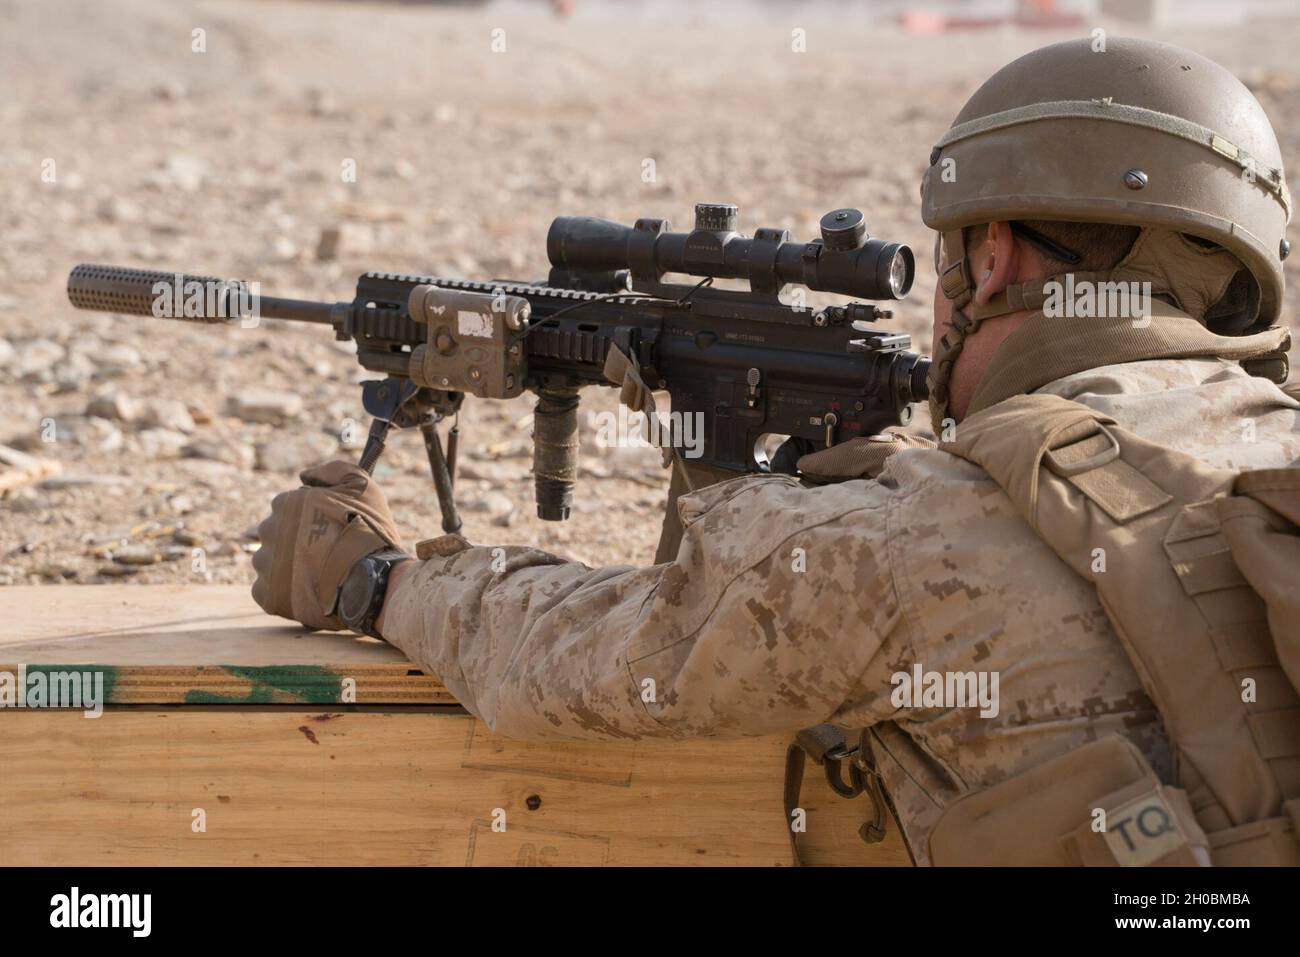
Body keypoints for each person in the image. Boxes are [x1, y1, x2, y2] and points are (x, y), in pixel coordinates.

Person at [251, 37, 1300, 866]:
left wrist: (371, 579)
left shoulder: (913, 535)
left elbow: (570, 660)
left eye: (947, 260)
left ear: (992, 261)